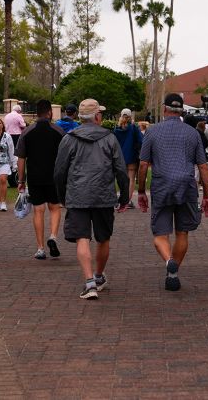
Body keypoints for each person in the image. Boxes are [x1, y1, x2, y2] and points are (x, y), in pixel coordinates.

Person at [53, 98, 130, 300]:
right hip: (103, 195)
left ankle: (89, 283)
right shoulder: (110, 138)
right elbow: (121, 170)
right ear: (97, 116)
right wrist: (123, 195)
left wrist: (62, 196)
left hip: (78, 195)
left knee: (82, 237)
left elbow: (59, 172)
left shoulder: (69, 139)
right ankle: (98, 276)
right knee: (103, 238)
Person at [137, 93, 208, 291]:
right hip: (186, 185)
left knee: (160, 234)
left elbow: (143, 164)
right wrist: (207, 195)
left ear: (164, 109)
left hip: (162, 185)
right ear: (182, 111)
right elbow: (203, 166)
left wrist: (141, 190)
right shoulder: (192, 133)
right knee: (182, 232)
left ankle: (169, 260)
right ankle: (173, 271)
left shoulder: (152, 132)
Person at [16, 99, 66, 260]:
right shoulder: (58, 131)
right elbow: (66, 157)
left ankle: (40, 248)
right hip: (54, 176)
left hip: (35, 176)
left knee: (38, 210)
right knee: (55, 208)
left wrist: (21, 180)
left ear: (36, 113)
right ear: (50, 112)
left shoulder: (27, 132)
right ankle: (52, 236)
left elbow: (21, 158)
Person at [113, 108, 143, 208]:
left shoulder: (116, 129)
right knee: (131, 179)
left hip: (119, 157)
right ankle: (127, 201)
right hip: (131, 156)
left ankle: (121, 199)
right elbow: (141, 140)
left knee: (121, 179)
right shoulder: (133, 127)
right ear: (130, 116)